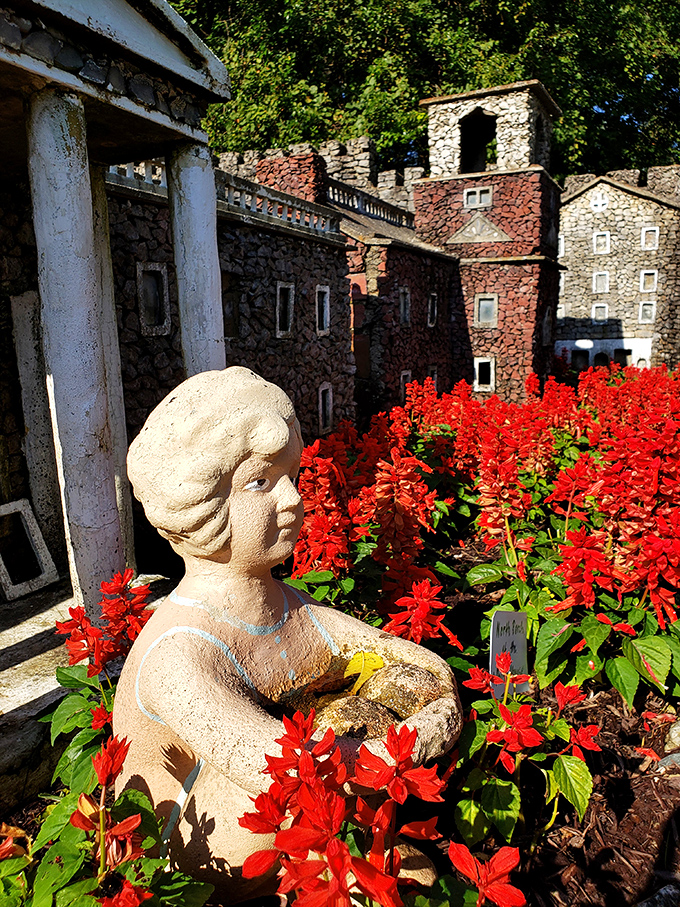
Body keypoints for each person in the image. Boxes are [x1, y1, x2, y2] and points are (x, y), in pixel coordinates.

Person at [113, 366, 461, 903]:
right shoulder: (179, 655)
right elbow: (296, 770)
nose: (293, 498)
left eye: (291, 476)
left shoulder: (290, 606)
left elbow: (415, 661)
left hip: (302, 811)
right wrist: (416, 734)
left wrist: (433, 698)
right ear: (201, 508)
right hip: (201, 853)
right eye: (260, 482)